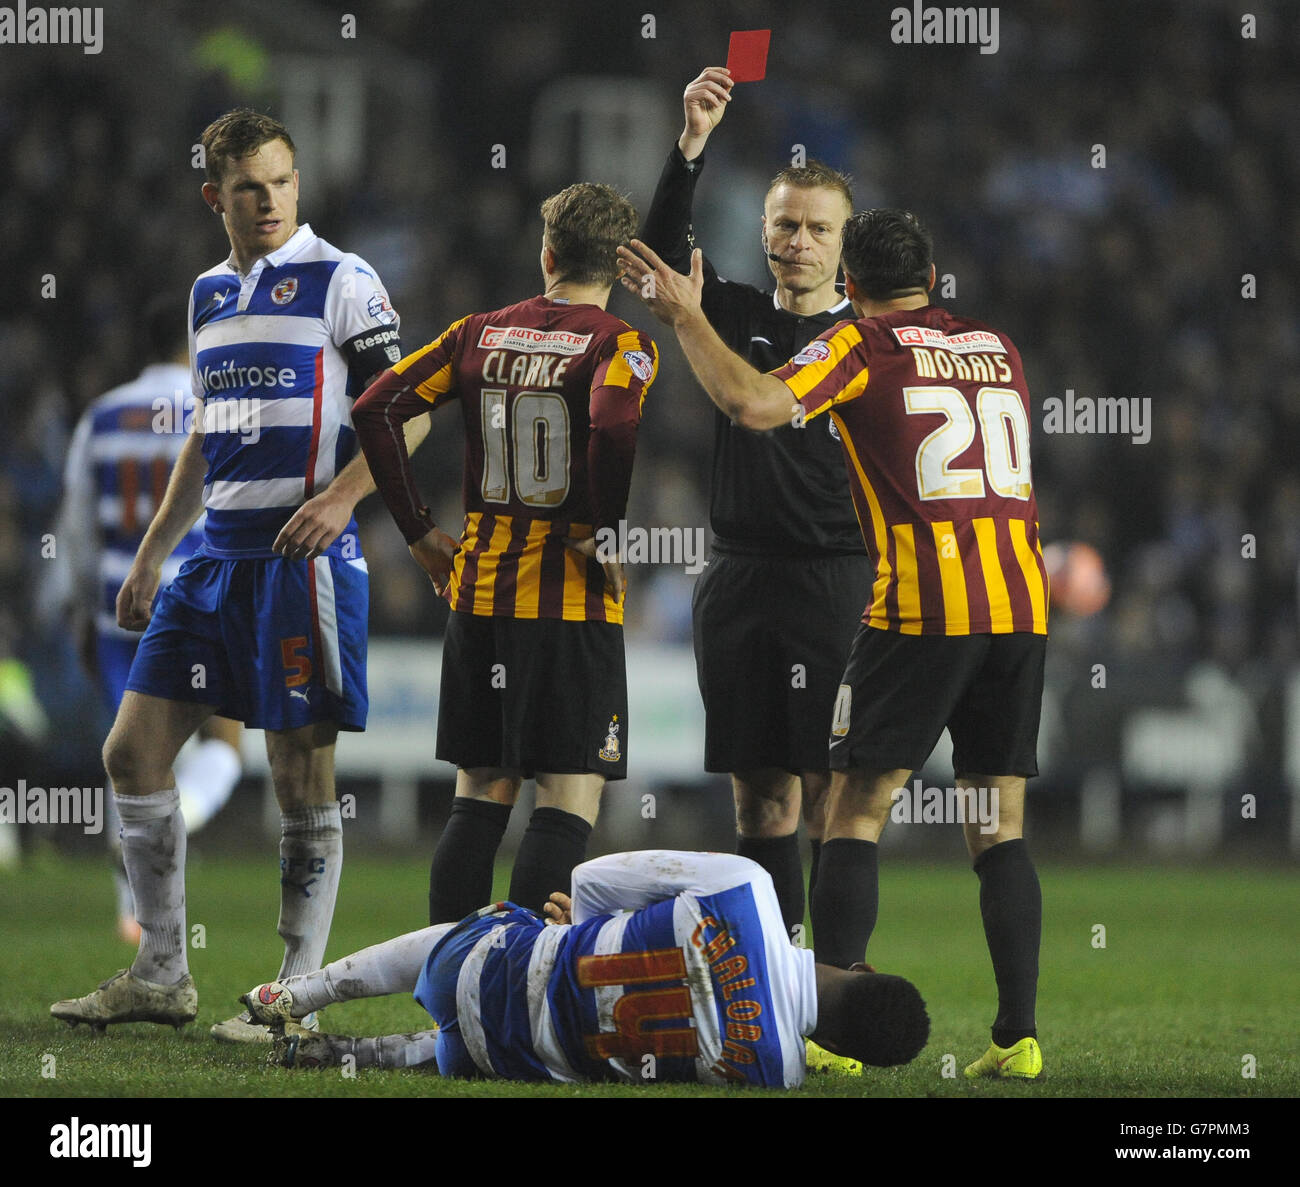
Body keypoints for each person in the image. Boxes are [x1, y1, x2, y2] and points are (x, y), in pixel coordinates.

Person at [618, 209, 1050, 1080]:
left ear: (850, 287)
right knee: (997, 824)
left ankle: (828, 1026)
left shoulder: (862, 344)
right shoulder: (996, 346)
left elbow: (753, 403)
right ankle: (1019, 1037)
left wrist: (687, 317)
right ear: (933, 280)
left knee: (853, 811)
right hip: (1020, 607)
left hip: (923, 608)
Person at [50, 108, 423, 1043]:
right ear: (214, 195)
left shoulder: (346, 280)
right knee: (130, 752)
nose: (267, 200)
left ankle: (291, 996)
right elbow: (204, 436)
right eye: (248, 187)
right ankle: (163, 970)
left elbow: (410, 415)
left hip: (303, 563)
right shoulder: (208, 294)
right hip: (210, 561)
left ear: (298, 183)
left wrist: (341, 499)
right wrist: (151, 551)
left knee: (301, 772)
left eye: (281, 182)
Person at [351, 182, 657, 927]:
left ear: (546, 253)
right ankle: (515, 998)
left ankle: (450, 996)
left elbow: (376, 408)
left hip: (479, 596)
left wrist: (420, 531)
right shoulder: (619, 342)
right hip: (568, 602)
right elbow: (614, 426)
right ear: (616, 267)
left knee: (480, 791)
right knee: (566, 792)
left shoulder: (477, 332)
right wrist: (600, 529)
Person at [640, 67, 871, 942]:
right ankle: (775, 972)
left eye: (818, 228)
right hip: (739, 579)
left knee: (834, 793)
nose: (800, 240)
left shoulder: (865, 340)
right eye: (785, 223)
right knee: (759, 791)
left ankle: (832, 987)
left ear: (844, 246)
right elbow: (660, 259)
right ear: (765, 230)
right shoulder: (730, 312)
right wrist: (691, 144)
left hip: (838, 581)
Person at [238, 849, 929, 1085]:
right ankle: (343, 1054)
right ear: (837, 1048)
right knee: (521, 1039)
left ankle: (298, 990)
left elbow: (595, 875)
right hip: (502, 1056)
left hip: (483, 965)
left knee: (506, 927)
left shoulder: (747, 888)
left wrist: (579, 930)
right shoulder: (776, 1072)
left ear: (860, 967)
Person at [45, 294, 244, 945]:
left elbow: (75, 525)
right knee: (224, 745)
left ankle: (132, 912)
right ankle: (168, 822)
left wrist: (77, 606)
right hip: (197, 603)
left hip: (114, 613)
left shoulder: (101, 417)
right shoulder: (216, 412)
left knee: (128, 755)